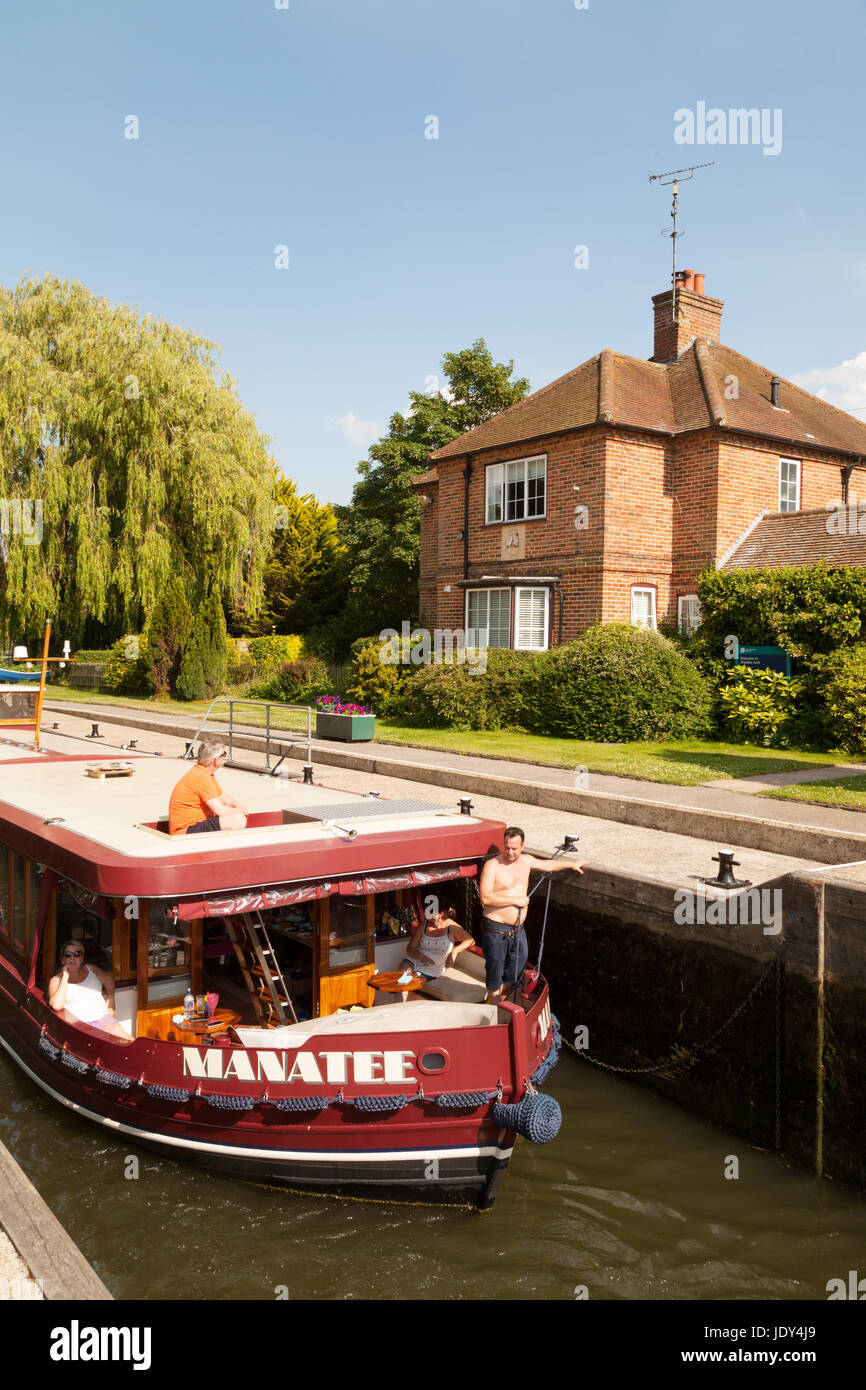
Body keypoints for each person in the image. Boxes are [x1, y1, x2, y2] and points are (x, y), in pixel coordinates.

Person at [478, 826, 585, 1003]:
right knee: (494, 976)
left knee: (515, 975)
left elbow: (547, 864)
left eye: (514, 848)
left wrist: (571, 864)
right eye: (506, 847)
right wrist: (515, 901)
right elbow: (486, 897)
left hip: (518, 930)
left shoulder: (526, 861)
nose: (510, 852)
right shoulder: (492, 865)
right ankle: (495, 1009)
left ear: (522, 847)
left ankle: (499, 1001)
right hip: (495, 930)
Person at [48, 942, 133, 1040]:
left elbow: (108, 979)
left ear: (82, 958)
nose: (72, 958)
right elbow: (56, 1005)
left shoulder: (91, 969)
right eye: (68, 955)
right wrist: (65, 976)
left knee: (125, 1039)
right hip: (79, 1024)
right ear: (62, 960)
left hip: (102, 1019)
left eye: (77, 954)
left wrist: (111, 1003)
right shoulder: (56, 980)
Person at [168, 737, 248, 835]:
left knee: (235, 816)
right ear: (216, 760)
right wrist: (239, 811)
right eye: (224, 754)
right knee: (237, 820)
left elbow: (222, 796)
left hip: (195, 824)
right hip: (185, 830)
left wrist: (237, 805)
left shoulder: (204, 773)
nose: (225, 757)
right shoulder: (201, 776)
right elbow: (220, 811)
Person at [404, 901, 474, 982]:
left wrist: (455, 951)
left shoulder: (451, 927)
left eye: (431, 911)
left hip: (434, 969)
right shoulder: (423, 925)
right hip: (414, 962)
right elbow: (410, 948)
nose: (427, 913)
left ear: (442, 913)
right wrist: (420, 956)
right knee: (401, 980)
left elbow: (471, 940)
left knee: (408, 983)